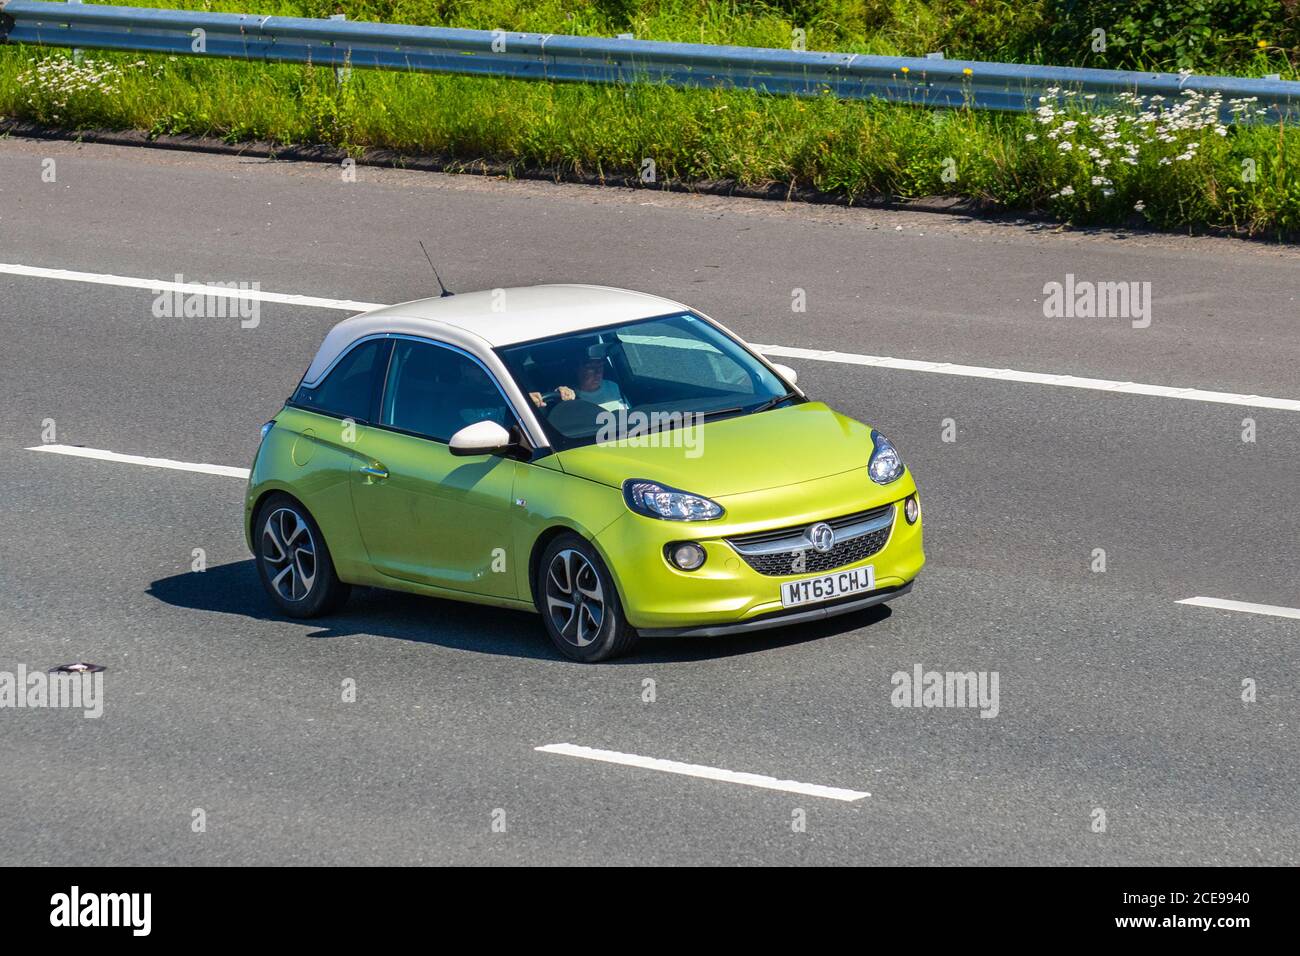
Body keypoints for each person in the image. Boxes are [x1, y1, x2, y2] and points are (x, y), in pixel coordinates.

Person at [529, 346, 628, 412]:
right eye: (591, 368)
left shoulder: (613, 386)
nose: (598, 372)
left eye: (600, 366)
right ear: (576, 369)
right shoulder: (567, 396)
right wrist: (561, 401)